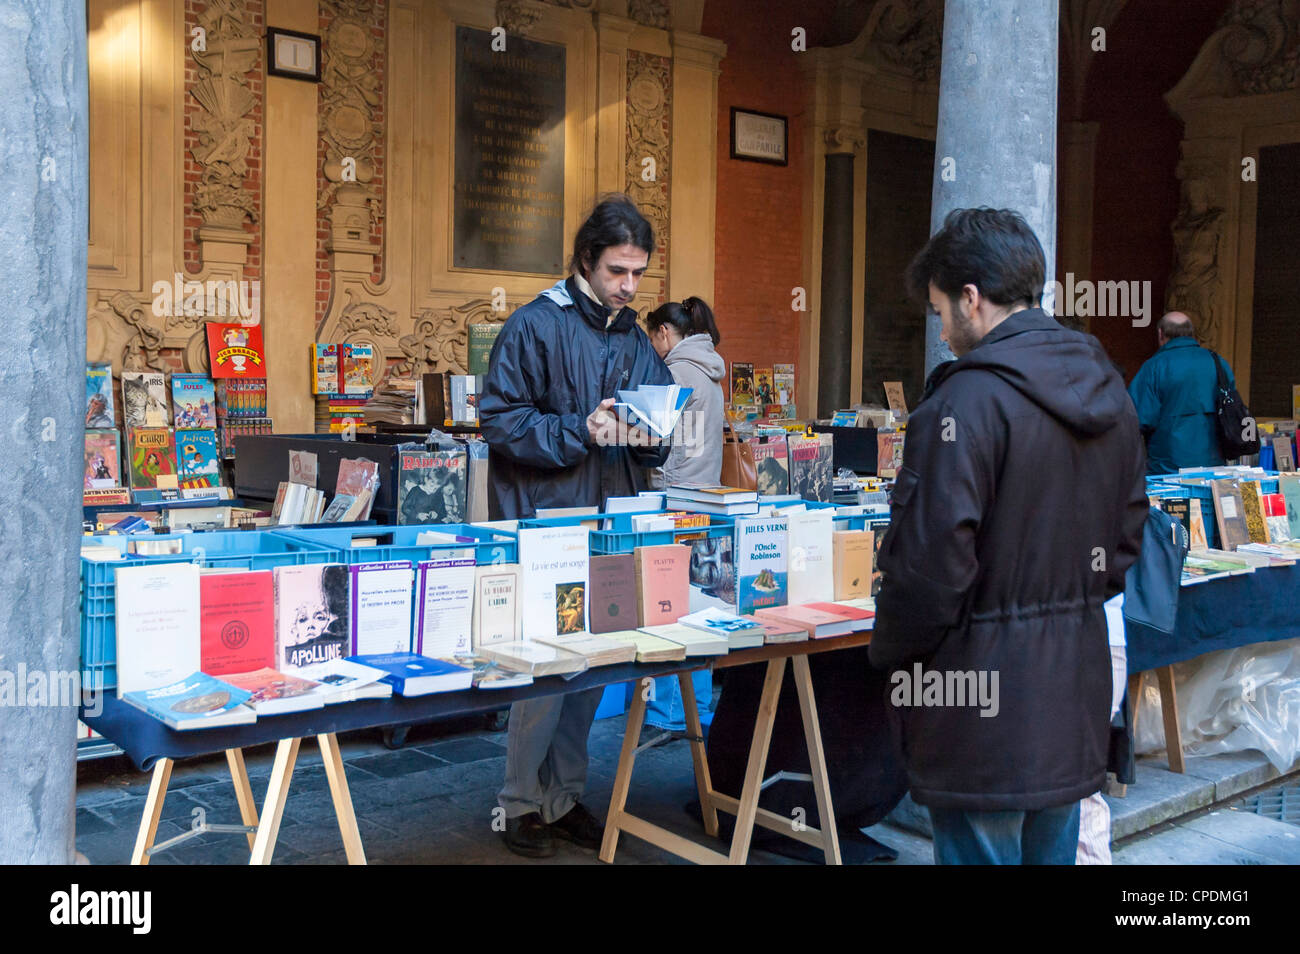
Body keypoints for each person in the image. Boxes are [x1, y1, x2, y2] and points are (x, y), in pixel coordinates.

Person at [868, 207, 1148, 865]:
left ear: (972, 298)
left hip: (977, 705)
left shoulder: (963, 405)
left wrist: (894, 656)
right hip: (1069, 692)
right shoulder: (1110, 389)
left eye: (939, 311)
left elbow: (931, 569)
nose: (940, 330)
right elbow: (1128, 537)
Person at [478, 194, 673, 858]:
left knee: (593, 665)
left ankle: (563, 797)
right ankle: (519, 805)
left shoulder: (636, 336)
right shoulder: (534, 324)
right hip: (547, 521)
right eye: (618, 271)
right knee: (545, 670)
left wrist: (654, 434)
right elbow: (500, 420)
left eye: (639, 274)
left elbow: (659, 422)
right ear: (587, 259)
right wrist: (578, 429)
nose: (628, 286)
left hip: (614, 520)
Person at [643, 297, 726, 731]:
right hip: (705, 494)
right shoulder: (711, 368)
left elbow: (653, 435)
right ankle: (697, 707)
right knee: (700, 603)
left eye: (651, 337)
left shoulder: (675, 371)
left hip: (674, 496)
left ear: (663, 333)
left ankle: (669, 710)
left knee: (668, 604)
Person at [1127, 311, 1233, 475]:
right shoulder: (1218, 362)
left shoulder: (1154, 367)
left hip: (1167, 467)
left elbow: (1137, 418)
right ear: (1192, 334)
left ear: (1160, 334)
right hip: (1214, 464)